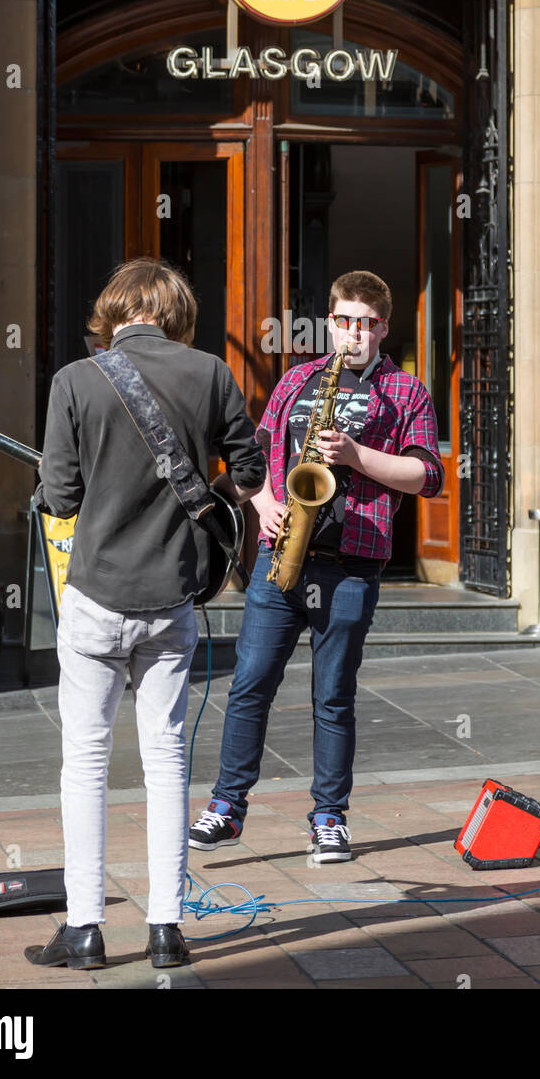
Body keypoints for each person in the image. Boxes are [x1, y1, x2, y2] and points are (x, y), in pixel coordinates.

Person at [24, 258, 265, 970]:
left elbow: (61, 499)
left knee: (86, 761)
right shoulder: (212, 374)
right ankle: (166, 928)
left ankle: (87, 929)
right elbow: (249, 472)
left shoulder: (74, 380)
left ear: (115, 311)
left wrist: (55, 487)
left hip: (97, 597)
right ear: (174, 312)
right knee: (164, 759)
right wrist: (200, 495)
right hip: (172, 599)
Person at [189, 270, 444, 864]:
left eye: (367, 323)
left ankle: (329, 817)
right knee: (250, 684)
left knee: (333, 696)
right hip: (282, 557)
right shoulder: (297, 381)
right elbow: (251, 458)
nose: (355, 332)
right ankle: (227, 806)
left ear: (384, 327)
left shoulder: (406, 392)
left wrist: (357, 456)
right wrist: (268, 505)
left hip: (353, 561)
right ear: (331, 322)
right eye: (345, 320)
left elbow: (427, 476)